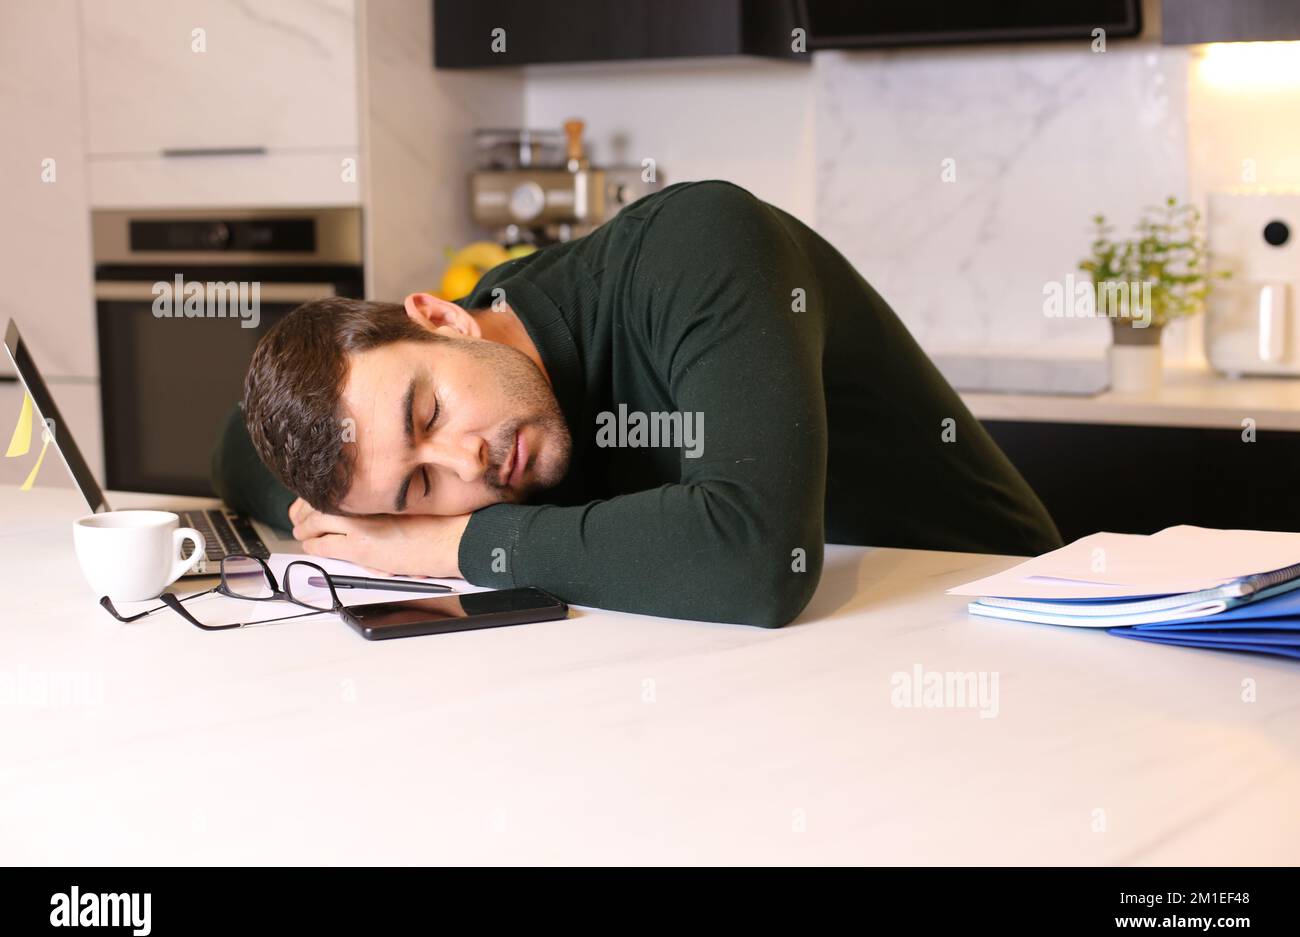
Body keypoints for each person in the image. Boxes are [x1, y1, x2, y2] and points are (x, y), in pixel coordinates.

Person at [214, 180, 1060, 628]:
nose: (464, 462)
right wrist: (369, 524)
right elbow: (233, 450)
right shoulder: (461, 435)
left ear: (440, 316)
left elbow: (757, 560)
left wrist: (447, 541)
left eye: (428, 418)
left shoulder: (701, 245)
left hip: (995, 614)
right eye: (418, 489)